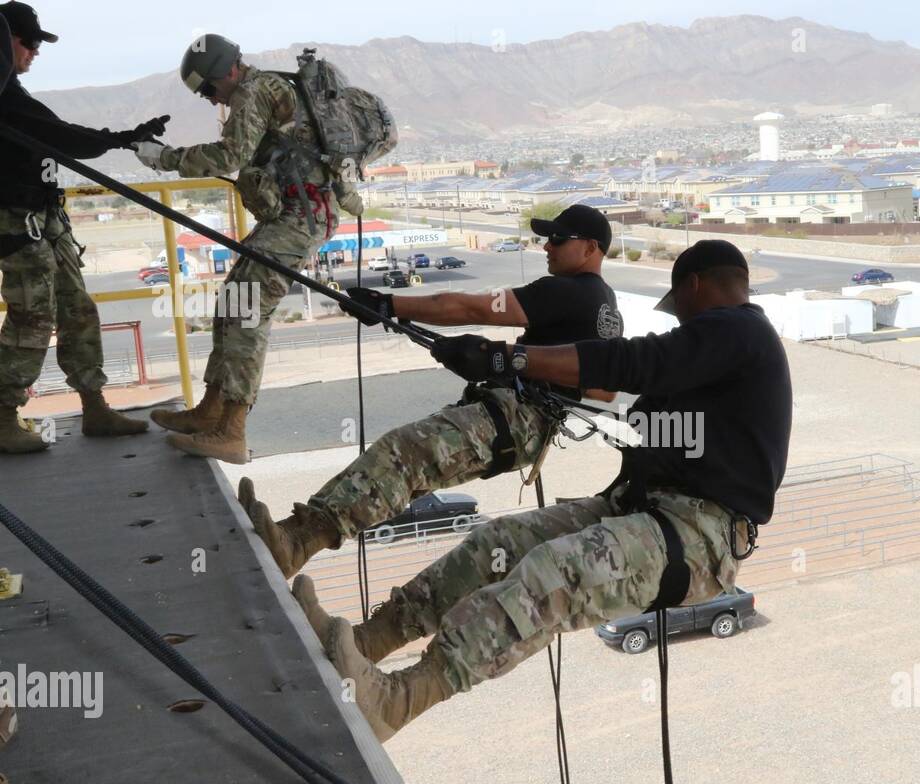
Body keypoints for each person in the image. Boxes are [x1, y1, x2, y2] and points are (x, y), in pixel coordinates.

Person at [292, 240, 793, 741]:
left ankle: (400, 699)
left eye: (678, 305)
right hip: (643, 507)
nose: (679, 318)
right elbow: (648, 407)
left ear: (694, 286)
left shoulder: (740, 328)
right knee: (497, 544)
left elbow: (639, 362)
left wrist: (507, 361)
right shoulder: (724, 357)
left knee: (553, 573)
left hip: (698, 536)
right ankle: (367, 640)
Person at [239, 204, 625, 578]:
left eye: (557, 240)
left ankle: (296, 541)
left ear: (590, 248)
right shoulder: (607, 306)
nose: (546, 247)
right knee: (405, 466)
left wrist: (388, 303)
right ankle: (294, 534)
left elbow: (474, 308)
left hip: (514, 417)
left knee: (400, 453)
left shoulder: (567, 291)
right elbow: (603, 392)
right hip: (525, 430)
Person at [136, 34, 359, 464]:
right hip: (294, 215)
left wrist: (163, 158)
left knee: (246, 310)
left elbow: (228, 156)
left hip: (301, 218)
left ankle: (232, 432)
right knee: (232, 300)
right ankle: (211, 412)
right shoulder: (272, 88)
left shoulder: (253, 92)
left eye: (207, 89)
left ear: (226, 73)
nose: (208, 98)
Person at [0, 2, 165, 454]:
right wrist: (122, 138)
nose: (35, 51)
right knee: (32, 316)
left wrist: (122, 137)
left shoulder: (14, 95)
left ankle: (94, 406)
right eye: (28, 41)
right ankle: (1, 415)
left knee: (77, 307)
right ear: (3, 41)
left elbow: (57, 135)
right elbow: (64, 138)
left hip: (46, 220)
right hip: (17, 223)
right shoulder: (5, 99)